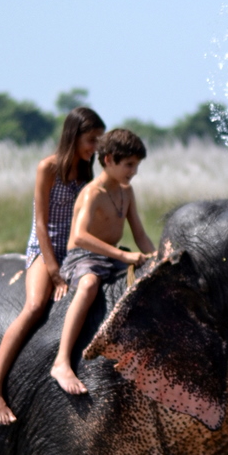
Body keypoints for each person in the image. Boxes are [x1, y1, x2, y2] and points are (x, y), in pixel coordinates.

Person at [0, 105, 106, 423]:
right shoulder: (48, 167)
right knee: (36, 306)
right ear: (74, 136)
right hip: (45, 247)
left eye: (99, 141)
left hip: (74, 249)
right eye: (91, 140)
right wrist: (52, 269)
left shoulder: (87, 172)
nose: (95, 147)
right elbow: (40, 223)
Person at [51, 127, 156, 396]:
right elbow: (79, 236)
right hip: (83, 257)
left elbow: (140, 235)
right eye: (129, 164)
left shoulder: (126, 191)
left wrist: (158, 259)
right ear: (108, 160)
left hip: (112, 254)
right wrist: (123, 255)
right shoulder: (93, 193)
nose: (133, 171)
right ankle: (61, 361)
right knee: (88, 285)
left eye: (137, 165)